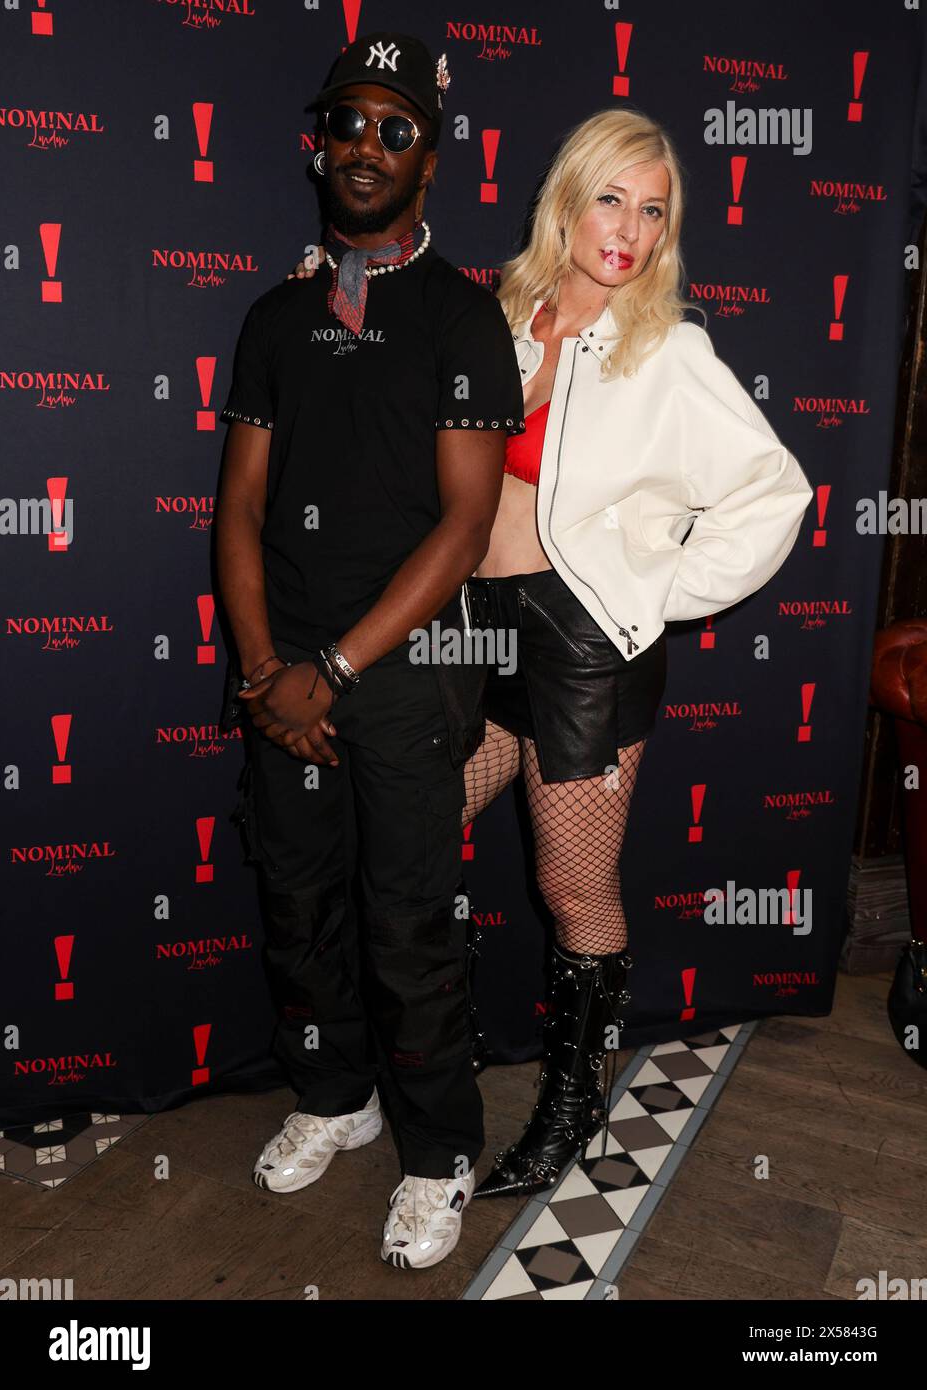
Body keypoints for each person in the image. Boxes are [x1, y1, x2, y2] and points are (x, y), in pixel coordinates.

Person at [291, 105, 814, 1199]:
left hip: (583, 652)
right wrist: (336, 290)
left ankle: (572, 1109)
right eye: (610, 198)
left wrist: (649, 590)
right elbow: (393, 387)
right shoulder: (504, 312)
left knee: (573, 889)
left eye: (652, 209)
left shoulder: (670, 351)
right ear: (567, 200)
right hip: (475, 638)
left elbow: (774, 493)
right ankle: (414, 1066)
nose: (627, 228)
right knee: (406, 830)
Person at [215, 30, 525, 1269]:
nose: (366, 147)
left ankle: (439, 1151)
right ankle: (335, 1095)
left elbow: (462, 529)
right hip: (279, 673)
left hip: (401, 674)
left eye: (397, 129)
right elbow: (236, 506)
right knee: (299, 907)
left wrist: (329, 671)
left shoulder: (462, 317)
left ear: (431, 161)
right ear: (317, 141)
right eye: (349, 121)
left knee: (406, 922)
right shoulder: (277, 316)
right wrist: (264, 675)